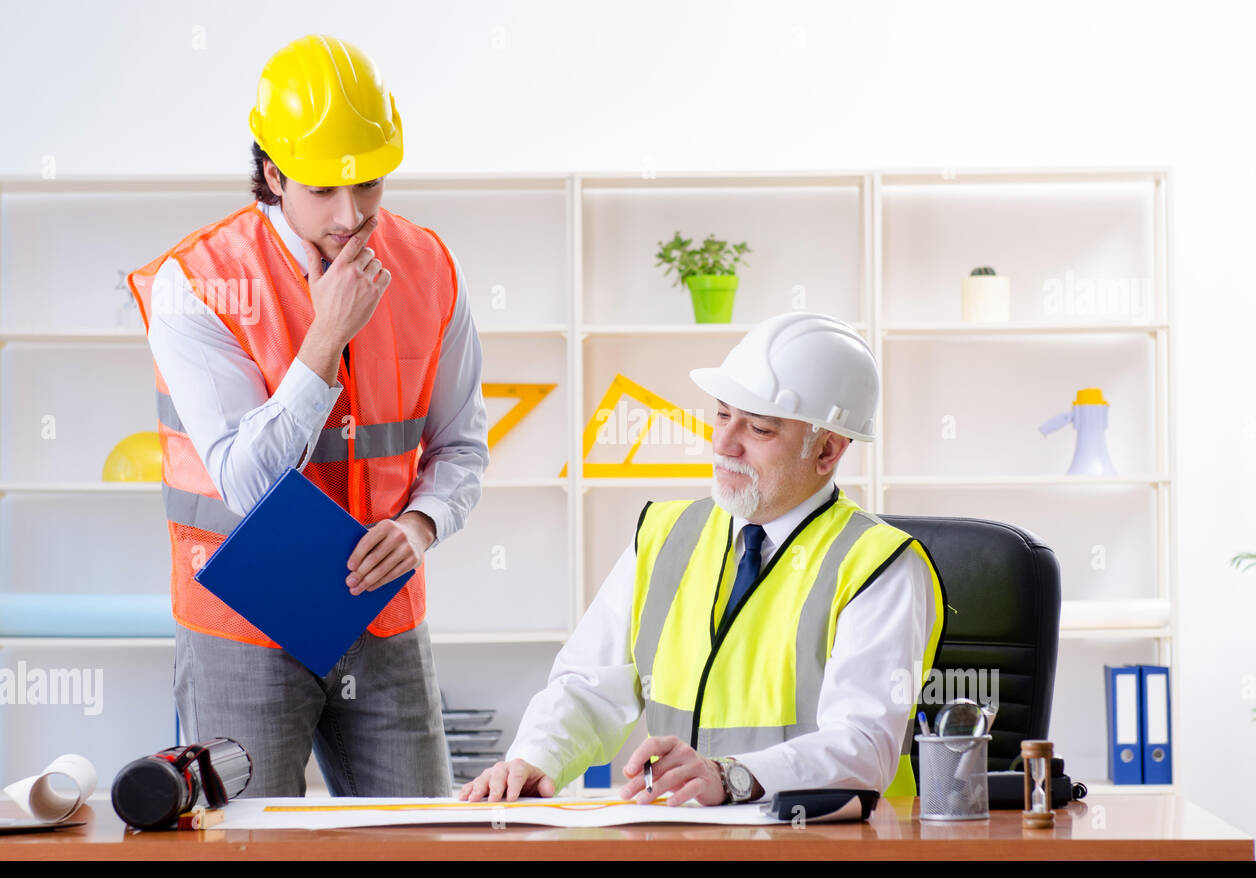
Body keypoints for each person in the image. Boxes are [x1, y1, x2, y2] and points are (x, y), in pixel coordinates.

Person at [128, 35, 488, 798]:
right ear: (272, 173)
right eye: (324, 189)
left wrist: (422, 525)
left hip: (381, 614)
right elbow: (243, 479)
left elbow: (460, 447)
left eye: (369, 186)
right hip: (242, 627)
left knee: (416, 846)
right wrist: (326, 338)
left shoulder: (430, 267)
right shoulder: (196, 284)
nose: (351, 215)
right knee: (248, 847)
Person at [460, 312, 945, 806]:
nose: (723, 444)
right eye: (721, 414)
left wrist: (732, 776)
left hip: (826, 847)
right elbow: (589, 688)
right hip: (681, 835)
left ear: (826, 450)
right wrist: (535, 759)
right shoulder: (664, 535)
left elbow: (864, 748)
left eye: (758, 428)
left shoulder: (879, 566)